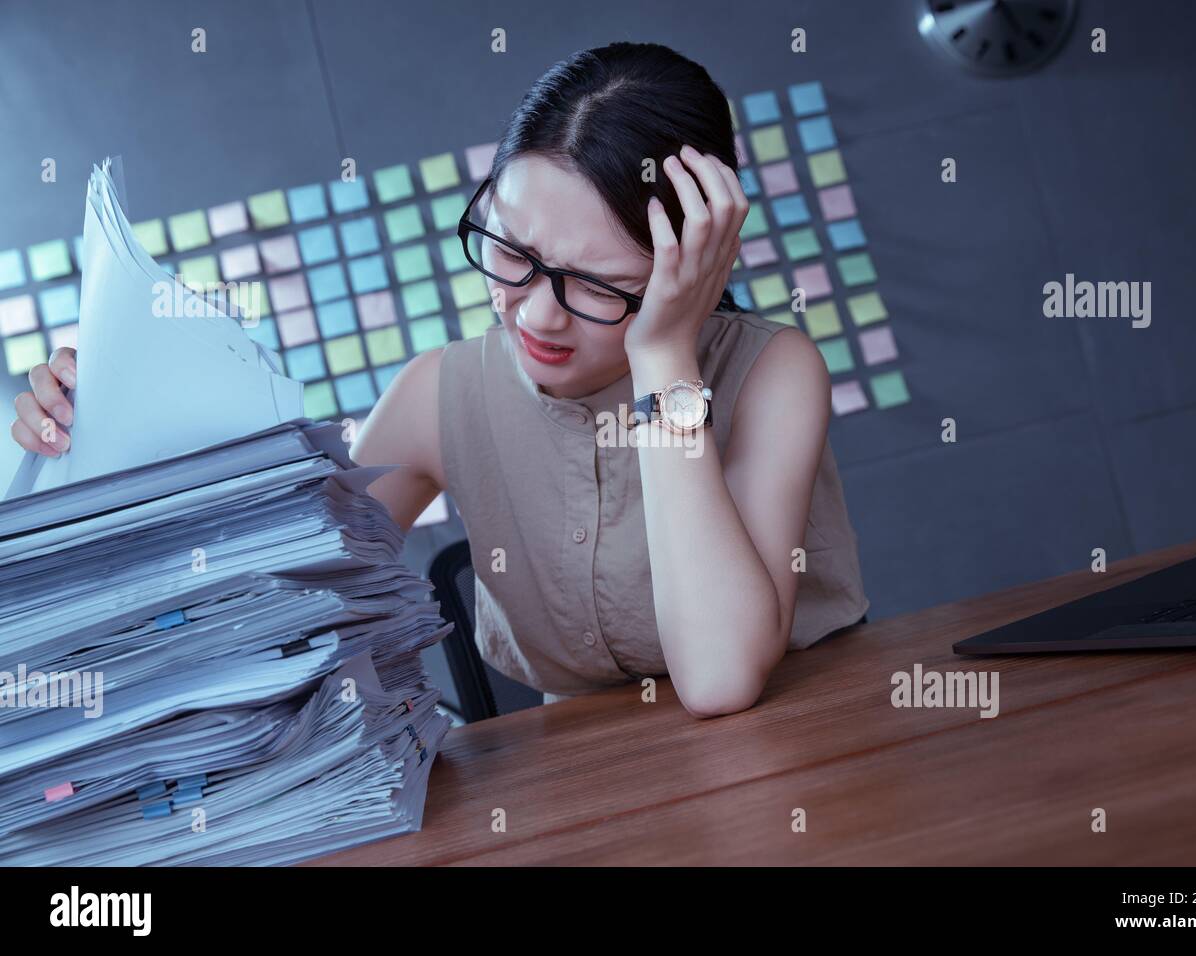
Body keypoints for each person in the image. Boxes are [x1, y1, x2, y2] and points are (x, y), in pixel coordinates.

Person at [10, 41, 869, 718]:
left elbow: (719, 679)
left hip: (822, 735)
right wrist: (104, 442)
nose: (534, 315)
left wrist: (662, 354)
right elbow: (258, 605)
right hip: (586, 783)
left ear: (694, 267)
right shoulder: (441, 395)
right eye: (512, 254)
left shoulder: (770, 372)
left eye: (599, 286)